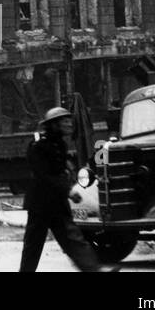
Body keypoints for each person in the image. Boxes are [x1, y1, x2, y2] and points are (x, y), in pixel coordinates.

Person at [19, 107, 104, 273]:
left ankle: (94, 270)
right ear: (54, 125)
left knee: (74, 240)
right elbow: (44, 175)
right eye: (64, 121)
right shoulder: (38, 145)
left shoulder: (60, 144)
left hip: (57, 203)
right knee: (33, 246)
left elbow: (60, 172)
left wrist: (69, 184)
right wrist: (68, 191)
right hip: (40, 205)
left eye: (69, 120)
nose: (69, 123)